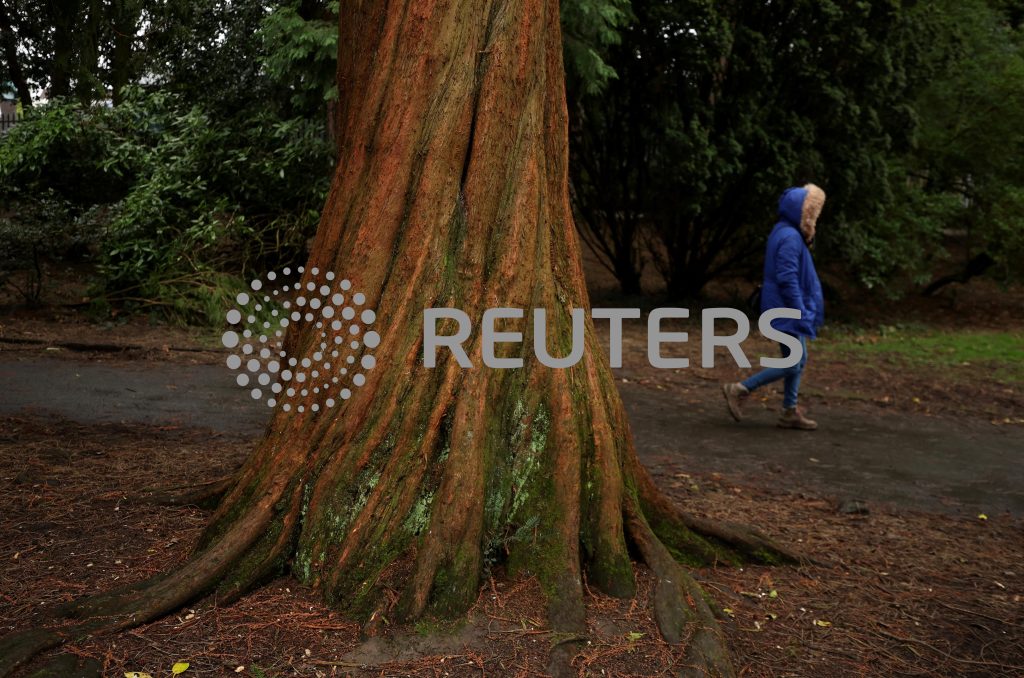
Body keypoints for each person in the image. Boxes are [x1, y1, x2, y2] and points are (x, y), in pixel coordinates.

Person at [722, 183, 826, 430]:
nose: (814, 219)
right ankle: (740, 388)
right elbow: (787, 277)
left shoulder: (785, 232)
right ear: (803, 213)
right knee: (794, 361)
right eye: (812, 214)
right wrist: (799, 309)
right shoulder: (790, 237)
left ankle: (789, 411)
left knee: (797, 358)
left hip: (784, 305)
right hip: (786, 307)